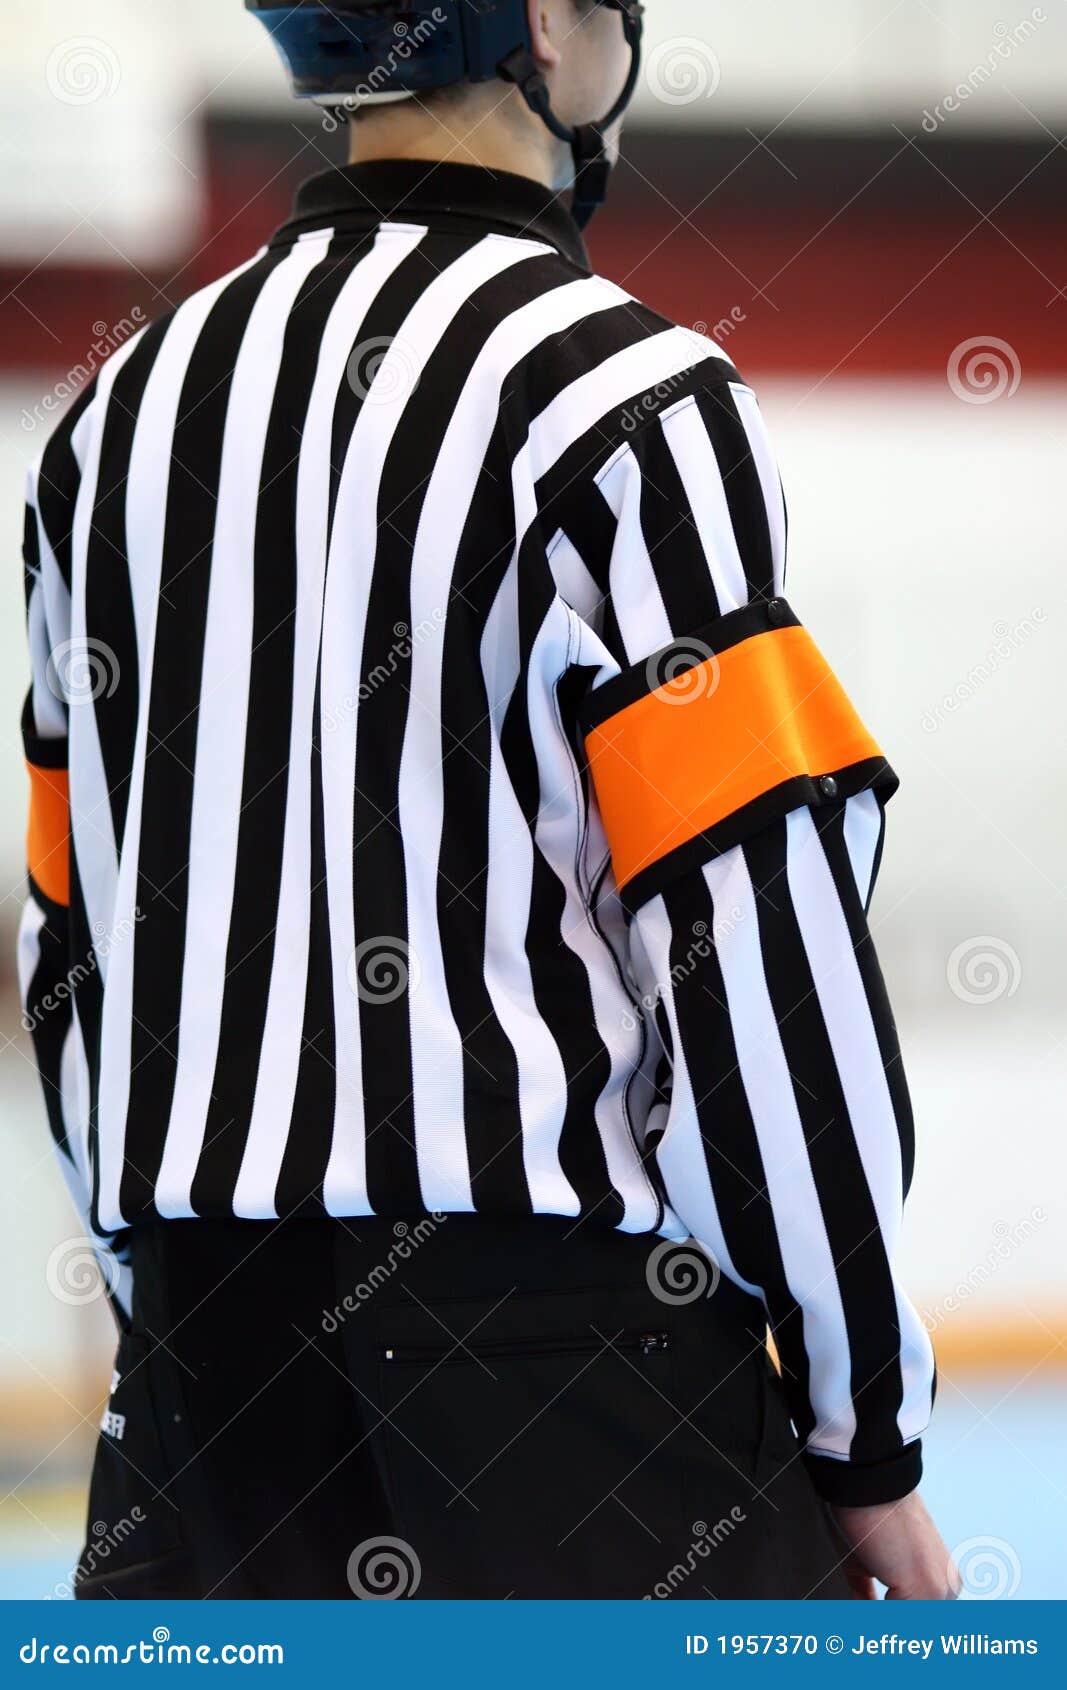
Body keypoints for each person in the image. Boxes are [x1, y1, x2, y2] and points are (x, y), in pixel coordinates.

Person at [18, 0, 957, 1599]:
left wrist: (160, 1304)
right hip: (562, 1383)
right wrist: (868, 1431)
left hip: (202, 1383)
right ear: (540, 29)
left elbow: (77, 944)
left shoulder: (113, 422)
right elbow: (759, 950)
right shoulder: (633, 399)